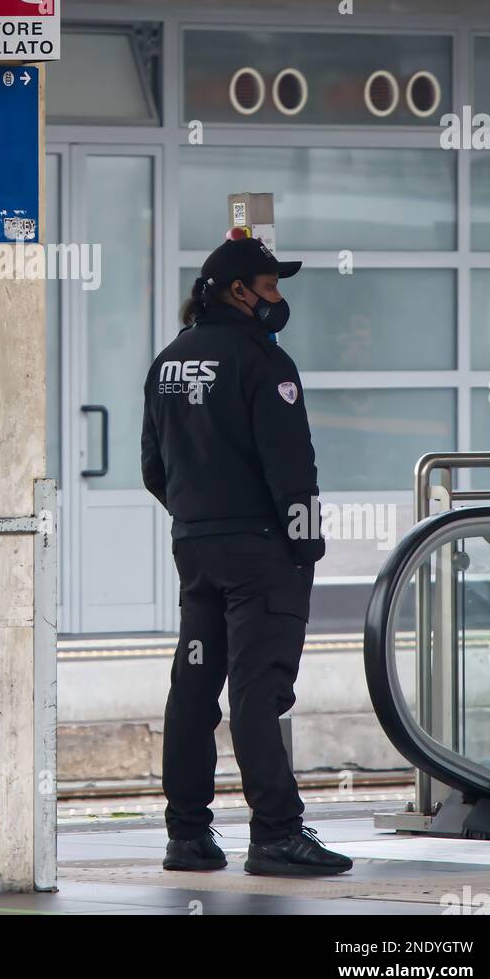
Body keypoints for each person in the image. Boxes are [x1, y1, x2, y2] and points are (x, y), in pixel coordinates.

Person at [141, 234, 353, 877]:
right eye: (271, 285)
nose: (278, 297)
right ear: (239, 291)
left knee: (194, 687)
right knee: (259, 694)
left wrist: (198, 515)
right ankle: (277, 835)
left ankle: (188, 836)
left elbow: (153, 467)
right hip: (262, 554)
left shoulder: (169, 362)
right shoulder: (264, 361)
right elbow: (292, 464)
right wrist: (305, 544)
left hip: (196, 549)